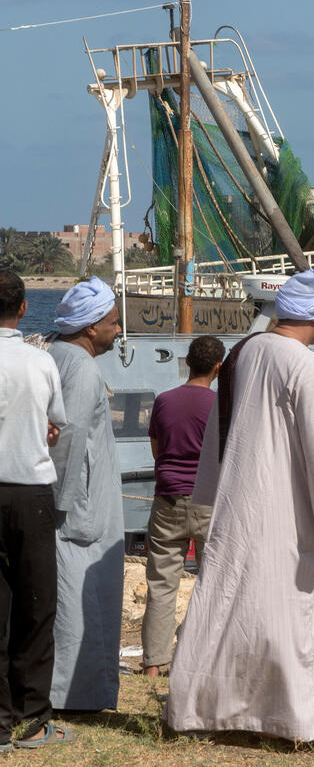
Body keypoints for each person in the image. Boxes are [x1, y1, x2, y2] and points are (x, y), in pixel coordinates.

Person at [166, 268, 314, 741]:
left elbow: (221, 432)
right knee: (293, 617)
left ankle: (215, 706)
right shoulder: (305, 365)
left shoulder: (242, 354)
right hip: (291, 512)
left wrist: (215, 493)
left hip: (243, 502)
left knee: (240, 607)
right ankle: (297, 717)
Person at [0, 271, 72, 750]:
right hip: (29, 490)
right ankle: (30, 717)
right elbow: (56, 424)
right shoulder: (39, 361)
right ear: (24, 309)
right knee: (35, 605)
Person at [46, 276, 124, 714]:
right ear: (91, 328)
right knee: (81, 604)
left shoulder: (56, 355)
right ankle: (75, 696)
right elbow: (69, 439)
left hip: (75, 504)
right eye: (113, 322)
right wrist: (60, 504)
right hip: (77, 511)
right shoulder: (81, 367)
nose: (118, 330)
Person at [141, 335, 225, 678]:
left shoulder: (164, 401)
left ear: (187, 362)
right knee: (213, 584)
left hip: (168, 500)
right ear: (218, 367)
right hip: (209, 502)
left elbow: (157, 450)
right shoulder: (220, 406)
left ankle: (152, 664)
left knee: (161, 584)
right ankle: (203, 661)